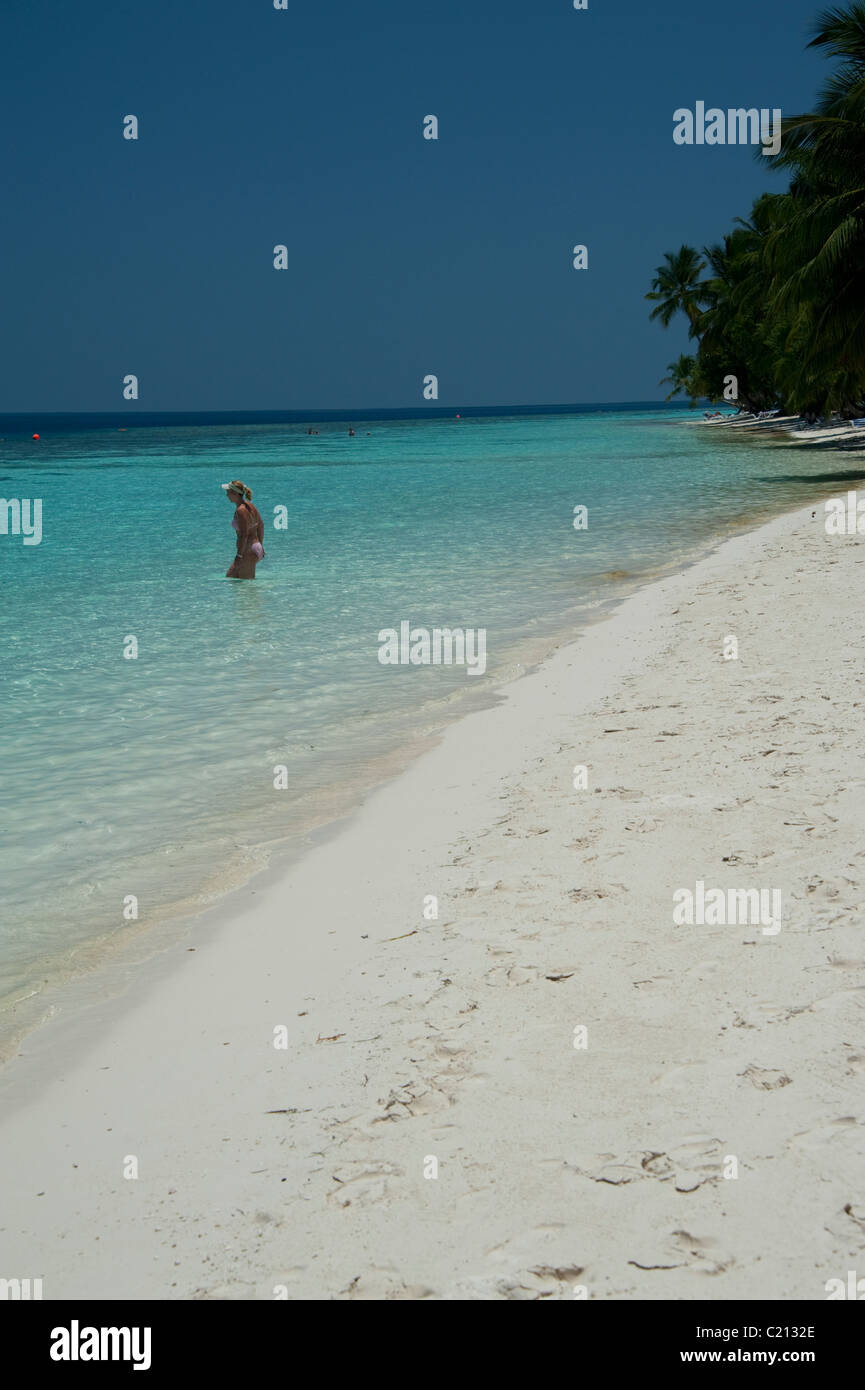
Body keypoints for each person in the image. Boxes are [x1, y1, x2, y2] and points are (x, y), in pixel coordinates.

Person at [221, 479, 265, 578]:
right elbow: (261, 525)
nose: (227, 495)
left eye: (228, 492)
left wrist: (239, 555)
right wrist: (260, 545)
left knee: (248, 589)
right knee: (231, 578)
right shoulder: (250, 505)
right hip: (255, 547)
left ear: (235, 493)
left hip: (247, 551)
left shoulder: (240, 510)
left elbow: (244, 535)